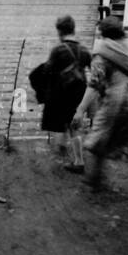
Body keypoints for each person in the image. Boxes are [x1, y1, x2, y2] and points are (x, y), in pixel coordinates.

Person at [74, 18, 128, 191]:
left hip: (115, 103)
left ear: (105, 34)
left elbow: (95, 83)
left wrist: (81, 109)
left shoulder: (103, 51)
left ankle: (94, 180)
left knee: (97, 141)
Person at [33, 15, 92, 171]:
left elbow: (47, 70)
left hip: (61, 92)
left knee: (62, 119)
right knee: (74, 123)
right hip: (79, 92)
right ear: (74, 29)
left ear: (60, 31)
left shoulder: (58, 50)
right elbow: (92, 69)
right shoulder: (84, 50)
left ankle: (77, 160)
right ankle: (69, 150)